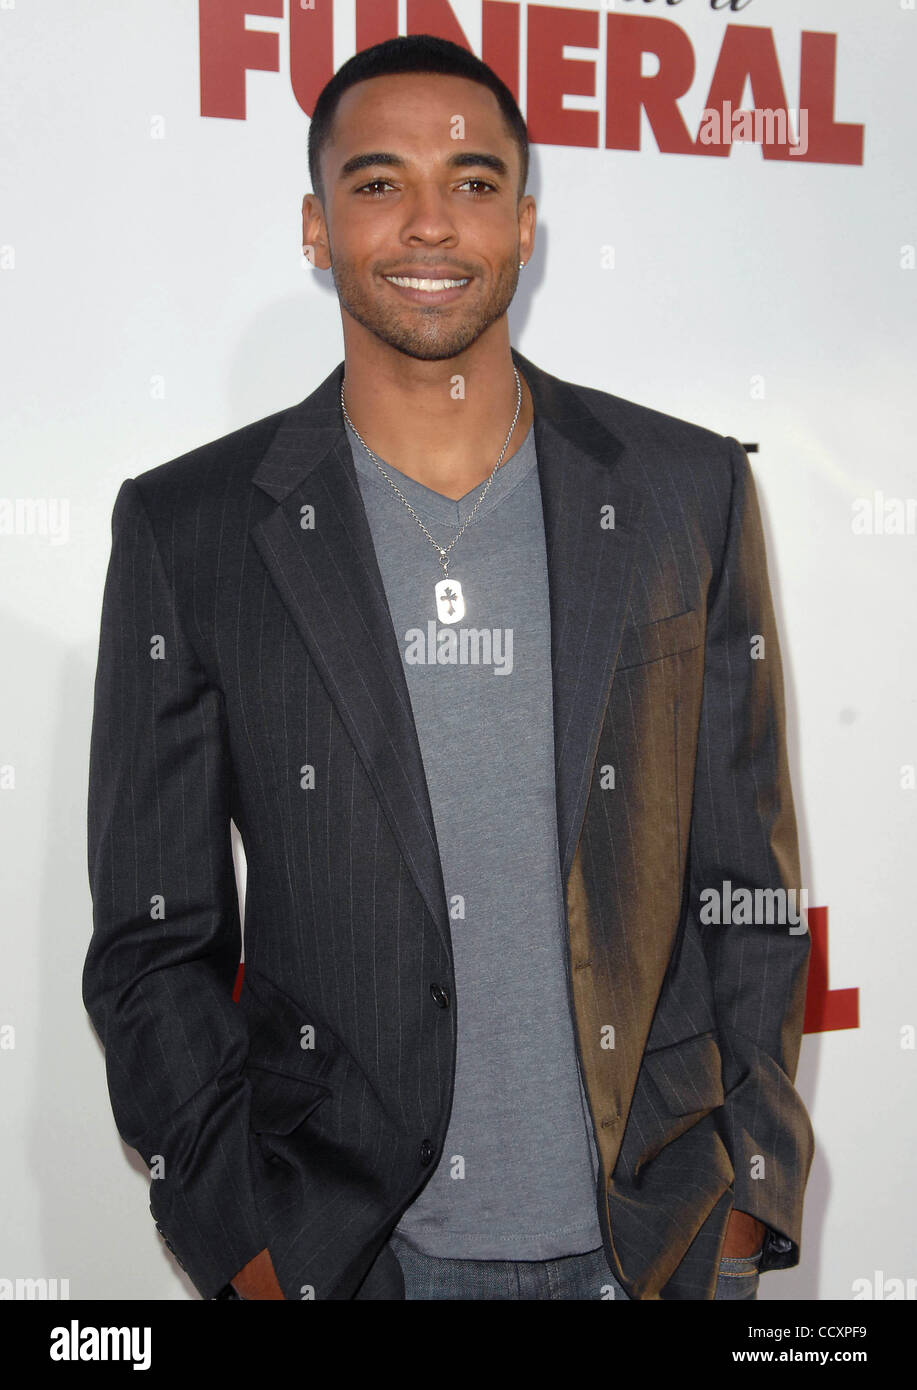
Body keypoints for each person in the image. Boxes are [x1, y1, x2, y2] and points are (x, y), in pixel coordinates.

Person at [83, 34, 814, 1302]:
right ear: (316, 231)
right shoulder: (191, 529)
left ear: (524, 226)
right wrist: (249, 1251)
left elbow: (743, 885)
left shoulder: (682, 492)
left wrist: (741, 1204)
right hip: (354, 1257)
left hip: (648, 1246)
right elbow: (154, 946)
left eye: (472, 183)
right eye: (378, 185)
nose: (430, 223)